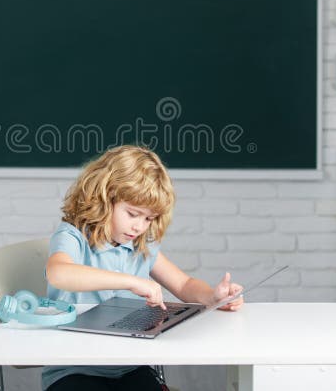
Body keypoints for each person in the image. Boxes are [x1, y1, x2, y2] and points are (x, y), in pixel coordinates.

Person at [42, 145, 244, 391]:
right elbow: (59, 273)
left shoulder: (140, 246)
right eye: (132, 214)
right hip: (74, 369)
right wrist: (130, 281)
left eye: (148, 219)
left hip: (129, 367)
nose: (139, 226)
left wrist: (214, 296)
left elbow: (184, 284)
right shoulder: (73, 236)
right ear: (104, 198)